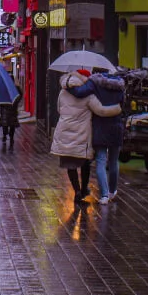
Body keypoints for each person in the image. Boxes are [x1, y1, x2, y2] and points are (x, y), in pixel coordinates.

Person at [52, 70, 121, 203]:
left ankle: (77, 190)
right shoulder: (89, 95)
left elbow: (59, 109)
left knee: (70, 164)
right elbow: (100, 110)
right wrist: (117, 109)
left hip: (65, 131)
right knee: (85, 162)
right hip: (82, 133)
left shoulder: (63, 92)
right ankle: (84, 189)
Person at [83, 72, 126, 204]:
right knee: (113, 161)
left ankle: (104, 195)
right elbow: (123, 106)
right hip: (116, 127)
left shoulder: (95, 86)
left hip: (100, 127)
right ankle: (112, 191)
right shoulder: (120, 89)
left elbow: (82, 93)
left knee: (101, 161)